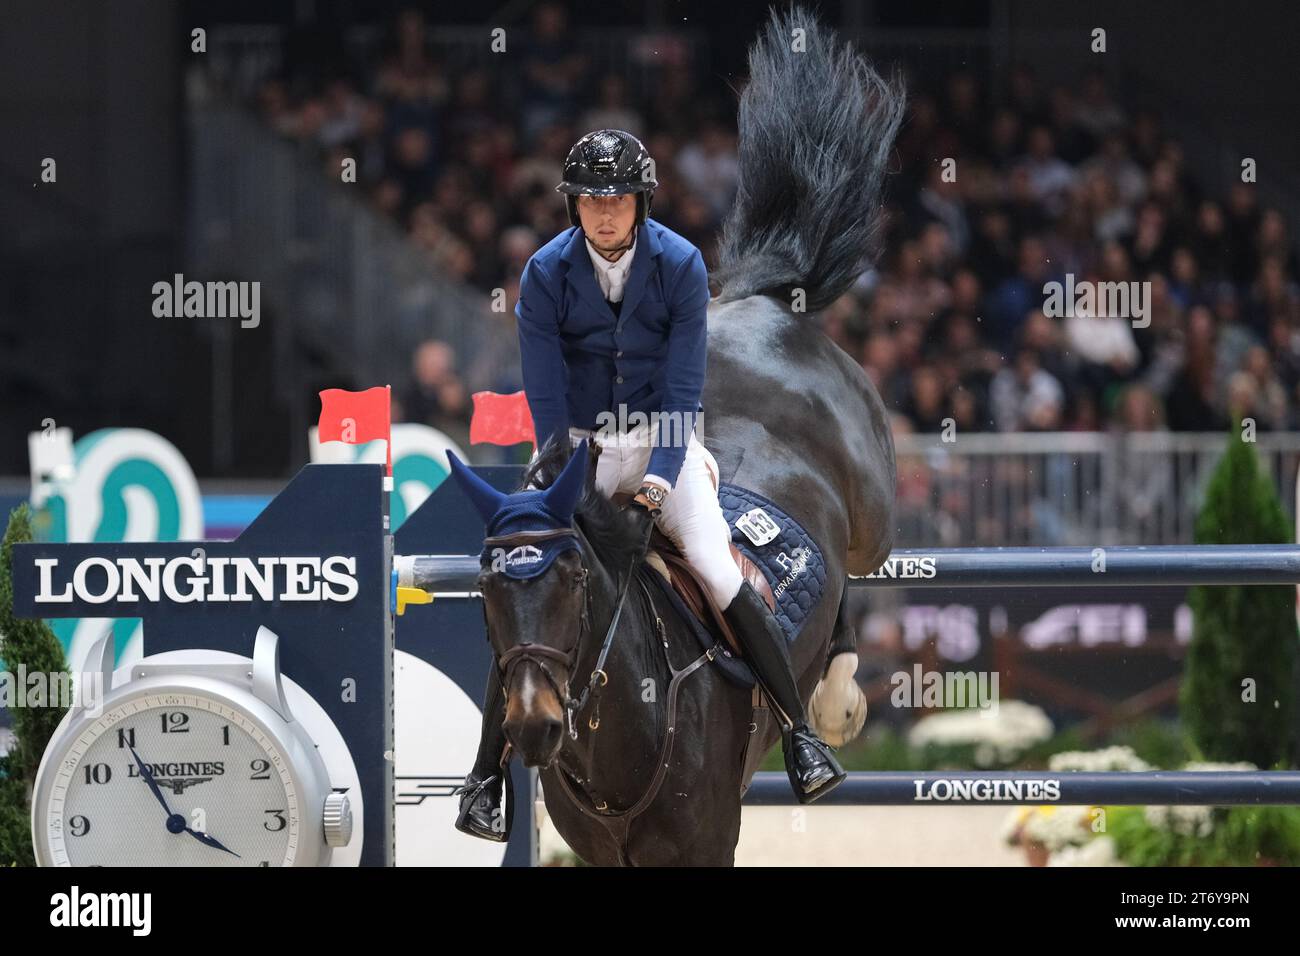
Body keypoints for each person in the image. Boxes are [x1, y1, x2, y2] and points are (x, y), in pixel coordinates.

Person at [454, 129, 846, 842]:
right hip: (578, 450)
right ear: (574, 205)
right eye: (592, 201)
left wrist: (659, 488)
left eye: (617, 200)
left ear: (640, 202)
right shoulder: (544, 273)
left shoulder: (679, 264)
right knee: (534, 578)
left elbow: (683, 392)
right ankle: (486, 778)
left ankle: (798, 733)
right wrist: (561, 480)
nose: (605, 214)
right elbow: (545, 393)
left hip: (659, 443)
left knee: (718, 572)